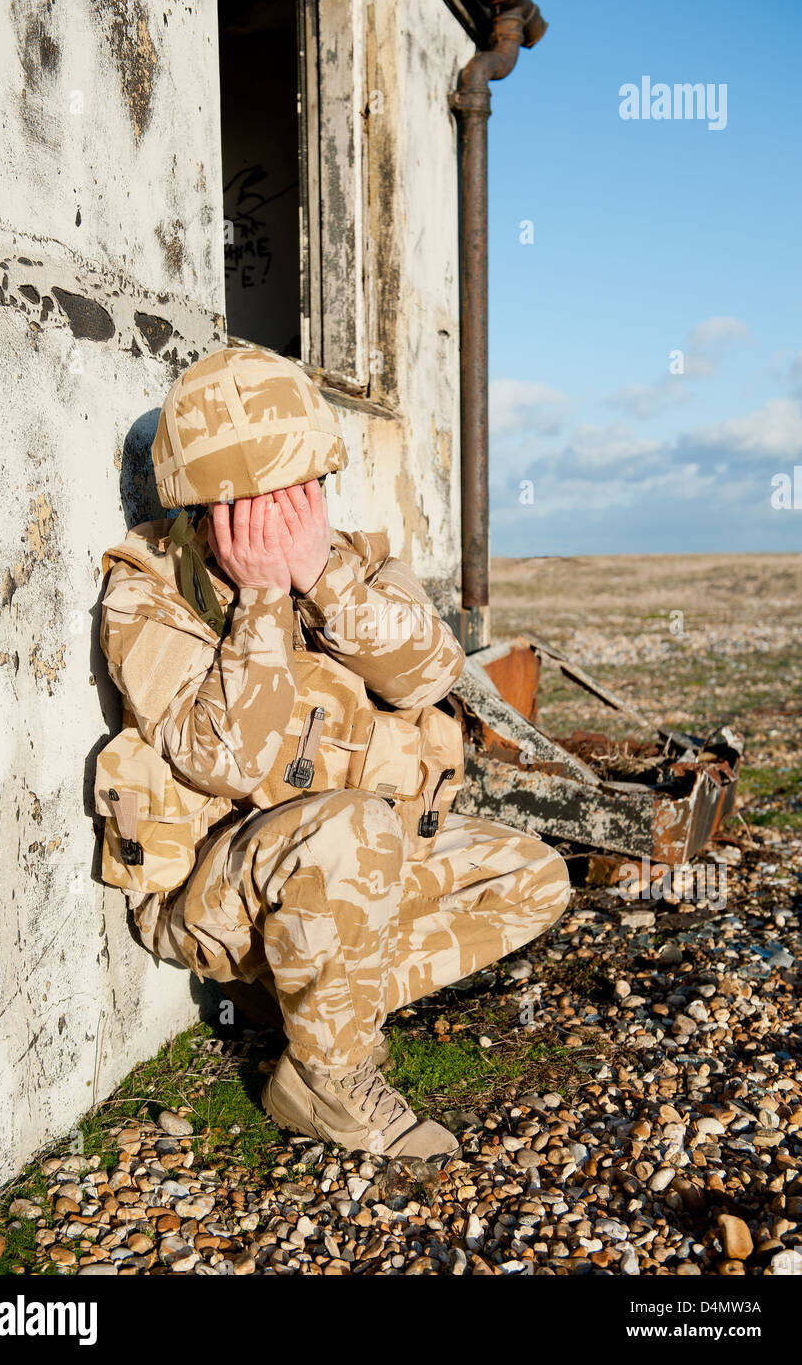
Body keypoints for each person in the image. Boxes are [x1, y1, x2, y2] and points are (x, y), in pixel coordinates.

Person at [97, 342, 571, 1162]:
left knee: (532, 878)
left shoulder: (351, 559)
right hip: (221, 901)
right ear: (209, 504)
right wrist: (259, 600)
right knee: (347, 828)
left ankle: (323, 1011)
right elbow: (226, 762)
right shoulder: (148, 592)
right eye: (264, 498)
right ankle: (327, 1079)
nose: (292, 510)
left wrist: (322, 579)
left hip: (349, 874)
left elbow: (426, 674)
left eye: (306, 489)